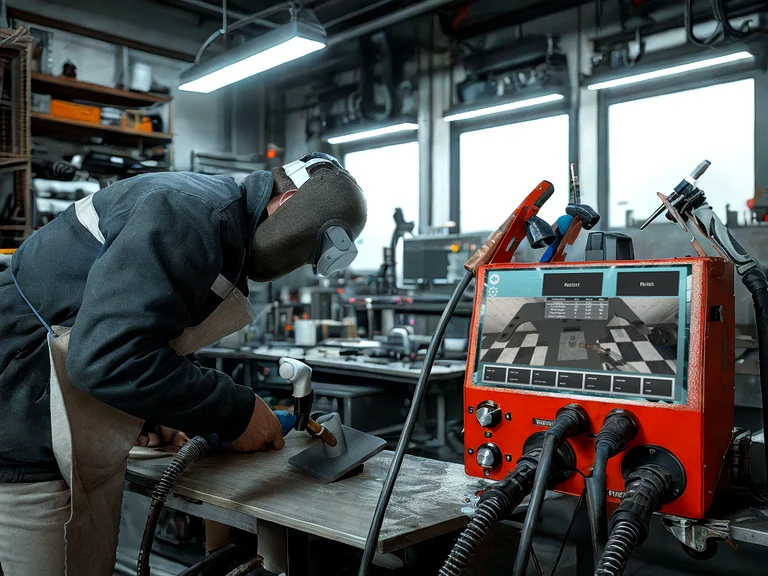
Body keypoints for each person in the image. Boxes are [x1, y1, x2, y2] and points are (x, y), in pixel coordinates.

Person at [0, 152, 366, 575]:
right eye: (302, 253)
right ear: (287, 205)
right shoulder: (190, 213)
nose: (294, 265)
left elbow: (144, 329)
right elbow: (105, 357)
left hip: (37, 403)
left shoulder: (215, 222)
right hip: (24, 415)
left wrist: (160, 413)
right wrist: (235, 411)